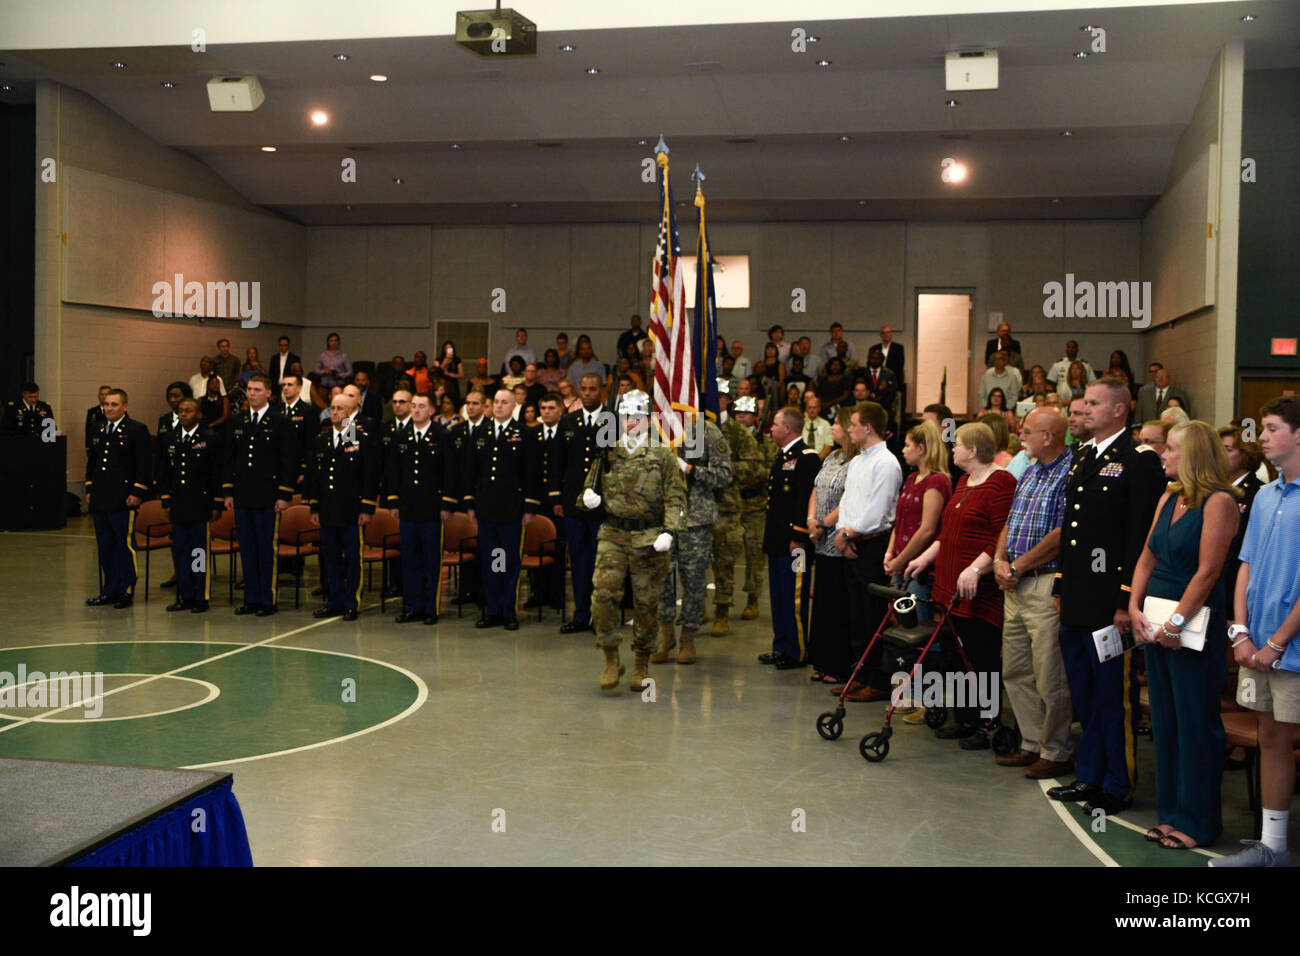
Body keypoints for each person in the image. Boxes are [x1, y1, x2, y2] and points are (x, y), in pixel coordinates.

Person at [1047, 377, 1166, 816]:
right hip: (1077, 597)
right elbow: (1073, 532)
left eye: (1094, 404)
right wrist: (1061, 583)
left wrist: (1124, 600)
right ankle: (1090, 776)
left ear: (1120, 409)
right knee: (1084, 694)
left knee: (1113, 697)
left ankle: (1118, 783)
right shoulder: (1083, 456)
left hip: (1110, 603)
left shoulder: (1138, 461)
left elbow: (1139, 537)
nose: (1085, 410)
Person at [1125, 421, 1240, 850]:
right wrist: (1135, 607)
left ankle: (1199, 821)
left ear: (1193, 455)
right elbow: (1146, 557)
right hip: (1156, 620)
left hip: (1193, 623)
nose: (1163, 455)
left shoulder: (1221, 502)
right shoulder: (1168, 497)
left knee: (1195, 723)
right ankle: (1171, 813)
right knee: (1166, 721)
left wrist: (1177, 622)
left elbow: (1209, 571)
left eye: (1171, 449)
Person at [1212, 396, 1300, 867]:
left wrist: (1278, 642)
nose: (1260, 437)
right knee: (1270, 740)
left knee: (1285, 736)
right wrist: (1241, 633)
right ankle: (1273, 847)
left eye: (1270, 427)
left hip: (1289, 648)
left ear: (1298, 434)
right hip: (1257, 645)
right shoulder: (1264, 495)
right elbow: (1244, 566)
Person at [904, 422, 1016, 741]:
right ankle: (965, 718)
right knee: (956, 652)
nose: (952, 449)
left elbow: (1001, 536)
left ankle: (987, 723)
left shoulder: (1000, 482)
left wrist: (977, 569)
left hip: (978, 587)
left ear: (973, 450)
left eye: (957, 444)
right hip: (950, 584)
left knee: (980, 655)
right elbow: (948, 531)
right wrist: (924, 557)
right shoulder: (965, 481)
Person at [580, 389, 687, 691]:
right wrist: (587, 497)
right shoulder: (608, 451)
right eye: (626, 416)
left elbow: (676, 496)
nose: (631, 422)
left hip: (649, 537)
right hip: (613, 535)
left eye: (637, 417)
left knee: (645, 604)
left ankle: (641, 663)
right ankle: (611, 658)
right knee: (602, 598)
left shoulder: (661, 454)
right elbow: (589, 487)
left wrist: (670, 530)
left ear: (649, 419)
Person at [991, 408, 1075, 777]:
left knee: (1049, 672)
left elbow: (1060, 535)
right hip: (1012, 580)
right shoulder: (1028, 471)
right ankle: (1030, 741)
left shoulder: (1070, 474)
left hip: (1042, 580)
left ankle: (1055, 750)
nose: (1021, 435)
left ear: (1050, 436)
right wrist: (998, 559)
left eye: (1028, 431)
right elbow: (1011, 520)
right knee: (1016, 668)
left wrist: (1018, 566)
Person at [828, 402, 903, 695]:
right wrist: (843, 533)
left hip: (872, 544)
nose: (849, 429)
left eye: (854, 424)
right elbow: (847, 502)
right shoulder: (858, 461)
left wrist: (848, 534)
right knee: (857, 614)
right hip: (853, 543)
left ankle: (878, 680)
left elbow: (878, 509)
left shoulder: (886, 463)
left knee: (873, 615)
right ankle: (860, 672)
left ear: (868, 428)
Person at [651, 411, 732, 667]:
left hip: (695, 519)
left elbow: (725, 475)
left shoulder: (707, 432)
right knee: (660, 578)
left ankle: (688, 636)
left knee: (694, 581)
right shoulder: (654, 430)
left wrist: (691, 469)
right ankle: (665, 635)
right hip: (661, 516)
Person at [462, 390, 540, 630]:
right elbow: (470, 470)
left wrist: (530, 506)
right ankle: (492, 610)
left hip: (511, 510)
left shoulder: (524, 434)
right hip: (486, 510)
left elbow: (531, 473)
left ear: (514, 406)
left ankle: (509, 610)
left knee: (508, 561)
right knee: (491, 561)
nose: (498, 406)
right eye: (495, 402)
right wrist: (470, 503)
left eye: (504, 402)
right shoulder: (481, 433)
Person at [222, 374, 296, 617]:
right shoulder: (239, 420)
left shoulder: (280, 421)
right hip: (243, 495)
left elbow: (289, 461)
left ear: (268, 394)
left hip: (268, 497)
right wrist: (228, 491)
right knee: (247, 548)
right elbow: (230, 459)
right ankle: (251, 597)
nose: (251, 394)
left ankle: (268, 598)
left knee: (266, 549)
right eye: (249, 390)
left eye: (256, 389)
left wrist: (284, 494)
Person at [757, 406, 823, 669]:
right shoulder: (783, 455)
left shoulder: (807, 458)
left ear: (788, 428)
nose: (771, 428)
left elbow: (806, 500)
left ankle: (797, 651)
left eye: (775, 424)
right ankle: (781, 645)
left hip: (796, 543)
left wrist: (799, 535)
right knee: (779, 597)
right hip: (778, 541)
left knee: (795, 598)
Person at [306, 393, 380, 622]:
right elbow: (314, 477)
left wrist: (367, 508)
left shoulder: (361, 439)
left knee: (352, 559)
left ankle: (351, 602)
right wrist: (314, 507)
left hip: (351, 510)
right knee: (330, 558)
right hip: (328, 509)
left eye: (339, 408)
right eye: (333, 408)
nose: (334, 412)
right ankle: (334, 599)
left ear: (350, 412)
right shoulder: (322, 440)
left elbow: (370, 476)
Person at [552, 374, 614, 634]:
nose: (588, 393)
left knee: (602, 563)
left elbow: (617, 461)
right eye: (584, 389)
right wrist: (556, 498)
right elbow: (557, 462)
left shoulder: (611, 421)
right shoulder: (568, 421)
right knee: (578, 560)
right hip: (574, 505)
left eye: (593, 389)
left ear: (601, 391)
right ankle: (580, 614)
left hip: (603, 506)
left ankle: (600, 616)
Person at [387, 392, 455, 625]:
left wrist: (447, 504)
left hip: (432, 508)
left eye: (421, 406)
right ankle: (414, 605)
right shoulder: (401, 436)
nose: (416, 410)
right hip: (408, 508)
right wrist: (393, 501)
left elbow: (450, 473)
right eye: (413, 406)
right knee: (410, 558)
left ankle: (431, 607)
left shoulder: (442, 435)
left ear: (432, 410)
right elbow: (393, 472)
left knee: (430, 559)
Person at [84, 388, 150, 609]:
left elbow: (143, 465)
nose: (109, 408)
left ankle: (126, 589)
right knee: (105, 546)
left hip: (123, 498)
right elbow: (92, 461)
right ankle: (109, 589)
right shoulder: (97, 427)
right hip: (101, 497)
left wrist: (138, 492)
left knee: (124, 545)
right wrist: (89, 488)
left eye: (114, 404)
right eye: (106, 404)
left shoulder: (136, 429)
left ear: (125, 406)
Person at [806, 406, 858, 683]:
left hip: (839, 538)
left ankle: (838, 664)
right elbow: (816, 488)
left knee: (838, 604)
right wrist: (811, 519)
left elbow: (849, 498)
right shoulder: (833, 457)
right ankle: (822, 661)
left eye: (837, 423)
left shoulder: (856, 462)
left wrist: (824, 523)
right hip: (820, 537)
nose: (834, 427)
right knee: (823, 602)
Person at [157, 398, 222, 613]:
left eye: (189, 411)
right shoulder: (170, 439)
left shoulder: (209, 438)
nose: (184, 414)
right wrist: (165, 499)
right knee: (181, 551)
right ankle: (184, 595)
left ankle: (200, 595)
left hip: (200, 504)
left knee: (198, 552)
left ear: (198, 414)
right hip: (178, 504)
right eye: (181, 411)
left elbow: (215, 474)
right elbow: (164, 473)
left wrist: (216, 503)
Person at [884, 420, 951, 626]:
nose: (903, 450)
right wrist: (890, 553)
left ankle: (924, 660)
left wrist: (901, 560)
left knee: (918, 627)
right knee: (902, 627)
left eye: (907, 445)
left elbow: (927, 530)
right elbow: (900, 519)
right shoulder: (912, 477)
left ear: (921, 449)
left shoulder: (937, 481)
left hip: (919, 568)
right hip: (901, 561)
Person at [709, 380, 764, 635]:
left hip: (740, 505)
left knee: (733, 559)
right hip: (706, 504)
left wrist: (724, 470)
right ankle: (697, 607)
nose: (714, 399)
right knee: (698, 561)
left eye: (719, 395)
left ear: (727, 400)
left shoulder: (737, 434)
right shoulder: (699, 430)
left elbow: (755, 469)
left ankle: (727, 607)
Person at [1219, 425, 1267, 621]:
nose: (1220, 455)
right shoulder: (1215, 489)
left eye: (1228, 450)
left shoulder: (1258, 493)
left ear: (1246, 455)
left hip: (1236, 587)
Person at [734, 396, 776, 621]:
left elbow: (771, 472)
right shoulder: (729, 438)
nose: (741, 416)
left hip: (755, 505)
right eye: (738, 412)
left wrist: (751, 473)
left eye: (746, 412)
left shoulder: (765, 443)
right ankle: (722, 599)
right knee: (722, 555)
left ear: (755, 417)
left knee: (754, 555)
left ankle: (752, 599)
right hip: (730, 503)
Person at [524, 393, 565, 613]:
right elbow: (529, 469)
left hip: (558, 501)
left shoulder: (567, 432)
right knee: (535, 546)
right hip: (537, 499)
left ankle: (556, 594)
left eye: (551, 408)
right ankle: (537, 592)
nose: (546, 412)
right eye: (543, 408)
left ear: (560, 410)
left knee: (556, 547)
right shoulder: (532, 434)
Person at [276, 374, 315, 491]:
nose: (286, 388)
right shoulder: (276, 410)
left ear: (299, 388)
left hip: (297, 468)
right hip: (278, 468)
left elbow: (311, 444)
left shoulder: (308, 411)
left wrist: (305, 470)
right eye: (284, 385)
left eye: (290, 385)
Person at [312, 333, 352, 405]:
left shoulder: (343, 356)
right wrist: (324, 371)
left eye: (335, 341)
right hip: (324, 386)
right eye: (331, 341)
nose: (333, 343)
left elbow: (350, 372)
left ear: (338, 342)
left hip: (339, 385)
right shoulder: (323, 356)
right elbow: (316, 371)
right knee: (321, 404)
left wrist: (340, 375)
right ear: (328, 342)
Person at [878, 326, 906, 409]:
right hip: (878, 381)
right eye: (883, 333)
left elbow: (900, 366)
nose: (886, 335)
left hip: (893, 381)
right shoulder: (875, 348)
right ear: (880, 335)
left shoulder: (899, 348)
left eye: (888, 332)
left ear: (891, 334)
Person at [800, 392, 833, 457]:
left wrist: (817, 461)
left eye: (814, 407)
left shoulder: (825, 424)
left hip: (820, 459)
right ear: (806, 409)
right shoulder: (800, 424)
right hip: (801, 458)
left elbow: (828, 446)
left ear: (819, 408)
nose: (812, 410)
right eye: (809, 407)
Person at [84, 385, 111, 451]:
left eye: (106, 394)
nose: (104, 397)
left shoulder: (118, 411)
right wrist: (87, 447)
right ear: (98, 396)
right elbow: (88, 430)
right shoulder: (92, 412)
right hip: (97, 445)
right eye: (102, 394)